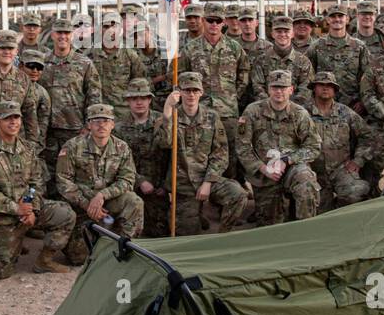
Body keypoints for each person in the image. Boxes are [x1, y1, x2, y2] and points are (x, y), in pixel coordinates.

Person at [0, 101, 75, 276]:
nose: (13, 123)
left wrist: (30, 207)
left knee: (65, 214)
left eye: (16, 118)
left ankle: (45, 261)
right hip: (1, 214)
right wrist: (16, 209)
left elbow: (36, 183)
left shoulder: (28, 149)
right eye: (7, 119)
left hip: (26, 209)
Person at [158, 73, 248, 234]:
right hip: (183, 185)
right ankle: (196, 217)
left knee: (238, 194)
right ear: (180, 92)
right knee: (186, 233)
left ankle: (223, 235)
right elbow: (165, 143)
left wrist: (208, 182)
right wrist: (167, 110)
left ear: (201, 92)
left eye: (195, 90)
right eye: (187, 90)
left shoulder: (212, 117)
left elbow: (220, 153)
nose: (191, 94)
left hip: (208, 179)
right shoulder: (172, 116)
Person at [236, 69, 321, 225]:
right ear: (268, 89)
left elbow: (313, 146)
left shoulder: (299, 113)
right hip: (264, 173)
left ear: (291, 89)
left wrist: (288, 160)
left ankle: (307, 229)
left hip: (292, 168)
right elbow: (242, 147)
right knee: (269, 223)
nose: (279, 91)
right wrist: (262, 168)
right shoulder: (253, 111)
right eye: (275, 87)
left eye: (283, 87)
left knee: (306, 181)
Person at [56, 103, 144, 252]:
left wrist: (102, 195)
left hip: (109, 201)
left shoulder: (121, 147)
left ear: (113, 124)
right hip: (81, 206)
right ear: (89, 125)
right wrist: (86, 204)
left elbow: (128, 180)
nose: (101, 125)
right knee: (78, 256)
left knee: (134, 201)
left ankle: (126, 246)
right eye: (96, 121)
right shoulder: (72, 146)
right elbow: (63, 181)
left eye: (106, 121)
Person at [179, 2, 250, 181]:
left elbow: (244, 74)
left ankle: (231, 191)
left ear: (223, 22)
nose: (214, 24)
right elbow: (181, 76)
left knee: (231, 156)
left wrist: (233, 96)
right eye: (210, 20)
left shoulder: (234, 48)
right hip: (199, 113)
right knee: (200, 154)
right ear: (204, 21)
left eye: (218, 21)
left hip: (227, 112)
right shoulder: (190, 48)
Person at [40, 18, 103, 193]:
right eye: (59, 32)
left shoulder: (84, 63)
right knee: (50, 175)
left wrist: (88, 127)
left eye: (66, 33)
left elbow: (94, 97)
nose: (62, 36)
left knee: (77, 174)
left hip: (75, 130)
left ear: (72, 35)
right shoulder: (42, 63)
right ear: (52, 35)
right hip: (48, 131)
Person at [306, 72, 373, 210]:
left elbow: (368, 136)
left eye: (329, 86)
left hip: (341, 170)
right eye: (321, 85)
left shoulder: (345, 112)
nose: (325, 88)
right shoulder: (303, 113)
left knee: (356, 192)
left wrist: (358, 160)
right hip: (313, 172)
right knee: (317, 209)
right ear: (314, 88)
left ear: (335, 90)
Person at [117, 78, 168, 237]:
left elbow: (172, 155)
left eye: (143, 98)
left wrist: (166, 185)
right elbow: (117, 161)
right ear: (128, 101)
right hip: (129, 185)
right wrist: (140, 181)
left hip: (158, 187)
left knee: (159, 233)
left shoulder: (162, 121)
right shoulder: (118, 126)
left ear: (150, 99)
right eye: (134, 98)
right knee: (129, 233)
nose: (139, 102)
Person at [309, 6, 368, 117]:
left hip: (353, 107)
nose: (337, 19)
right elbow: (307, 75)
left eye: (340, 16)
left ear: (347, 19)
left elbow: (368, 76)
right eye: (333, 16)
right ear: (327, 20)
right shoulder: (317, 46)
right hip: (323, 106)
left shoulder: (359, 46)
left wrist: (363, 101)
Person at [90, 11, 145, 121]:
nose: (110, 30)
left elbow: (141, 87)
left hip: (123, 116)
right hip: (96, 116)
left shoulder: (131, 56)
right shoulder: (89, 56)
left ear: (120, 30)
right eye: (106, 26)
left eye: (114, 26)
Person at [250, 16, 313, 105]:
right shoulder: (261, 60)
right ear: (272, 34)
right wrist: (272, 106)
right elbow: (257, 88)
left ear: (292, 34)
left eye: (286, 31)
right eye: (278, 31)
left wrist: (289, 108)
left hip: (294, 113)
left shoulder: (303, 62)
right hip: (266, 111)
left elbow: (306, 89)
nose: (283, 35)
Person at [19, 49, 52, 153]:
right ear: (21, 66)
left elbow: (42, 124)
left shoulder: (42, 93)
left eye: (39, 68)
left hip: (30, 146)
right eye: (31, 66)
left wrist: (36, 149)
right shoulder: (12, 87)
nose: (35, 71)